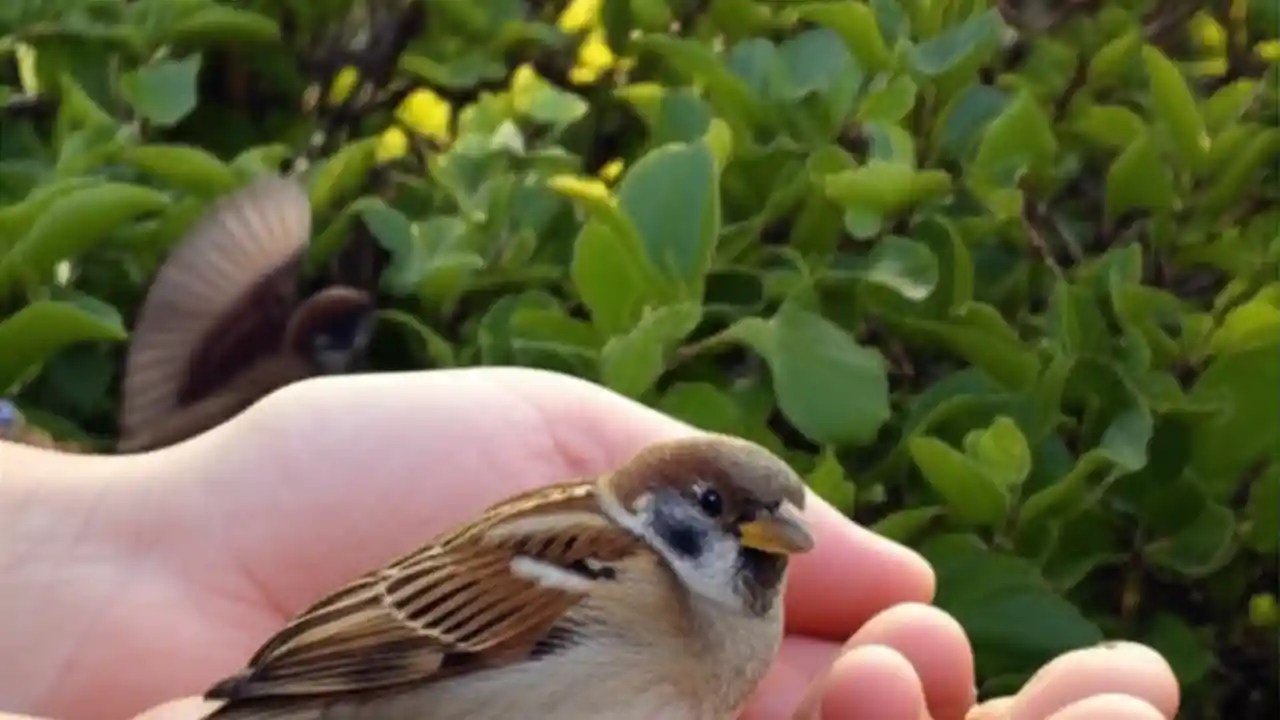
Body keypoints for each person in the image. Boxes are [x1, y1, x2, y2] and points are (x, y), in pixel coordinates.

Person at [0, 368, 1179, 720]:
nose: (772, 538)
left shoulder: (742, 626)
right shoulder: (606, 565)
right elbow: (402, 642)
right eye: (728, 514)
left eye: (779, 520)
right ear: (667, 514)